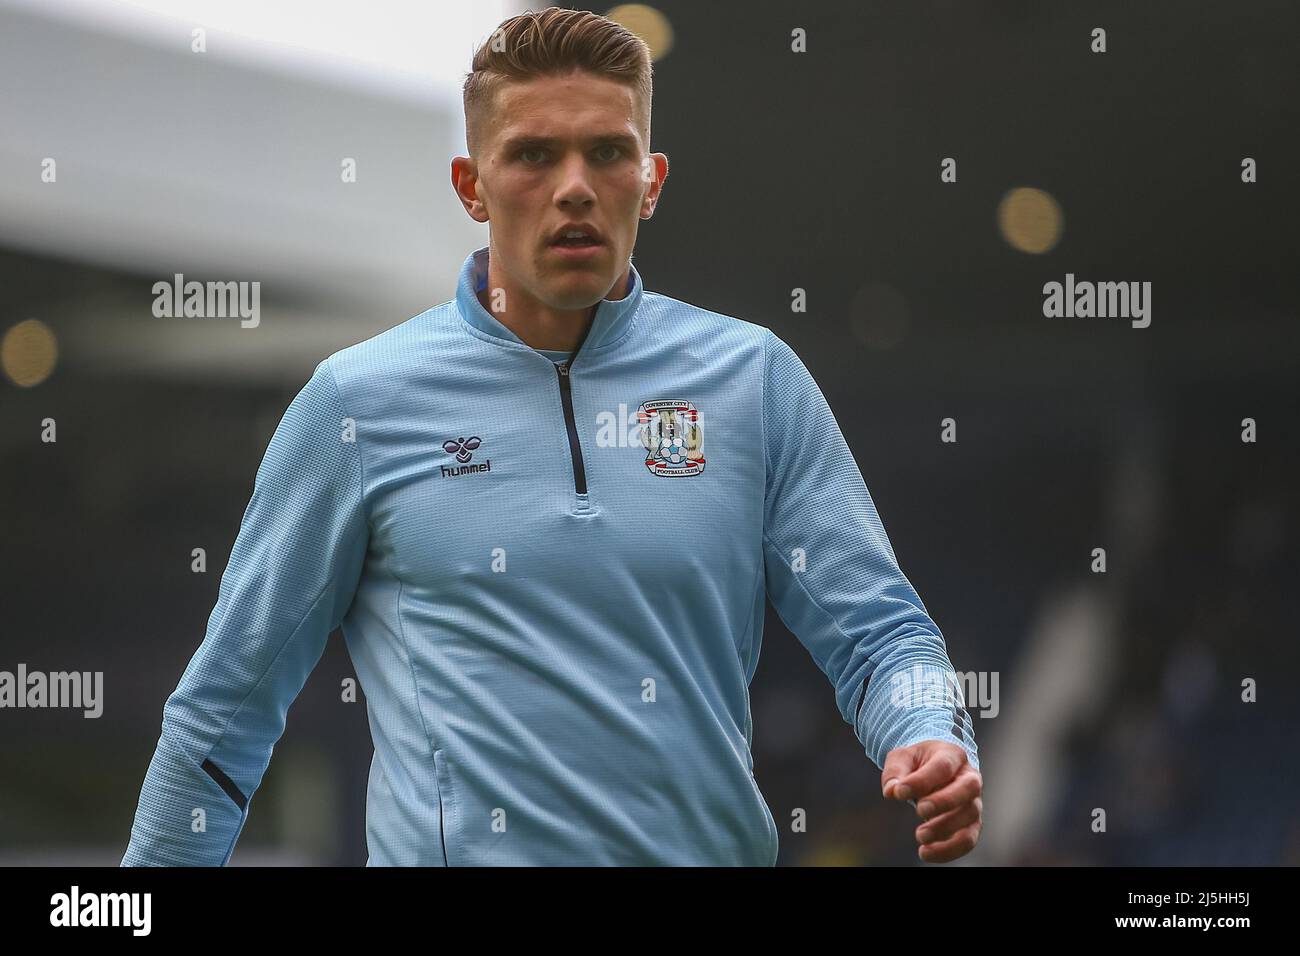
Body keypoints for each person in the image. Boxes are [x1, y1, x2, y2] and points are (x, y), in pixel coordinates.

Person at [122, 7, 981, 867]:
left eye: (608, 152)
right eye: (534, 154)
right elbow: (222, 714)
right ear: (471, 185)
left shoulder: (754, 381)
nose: (575, 186)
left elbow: (882, 634)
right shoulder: (357, 403)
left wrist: (929, 731)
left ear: (651, 180)